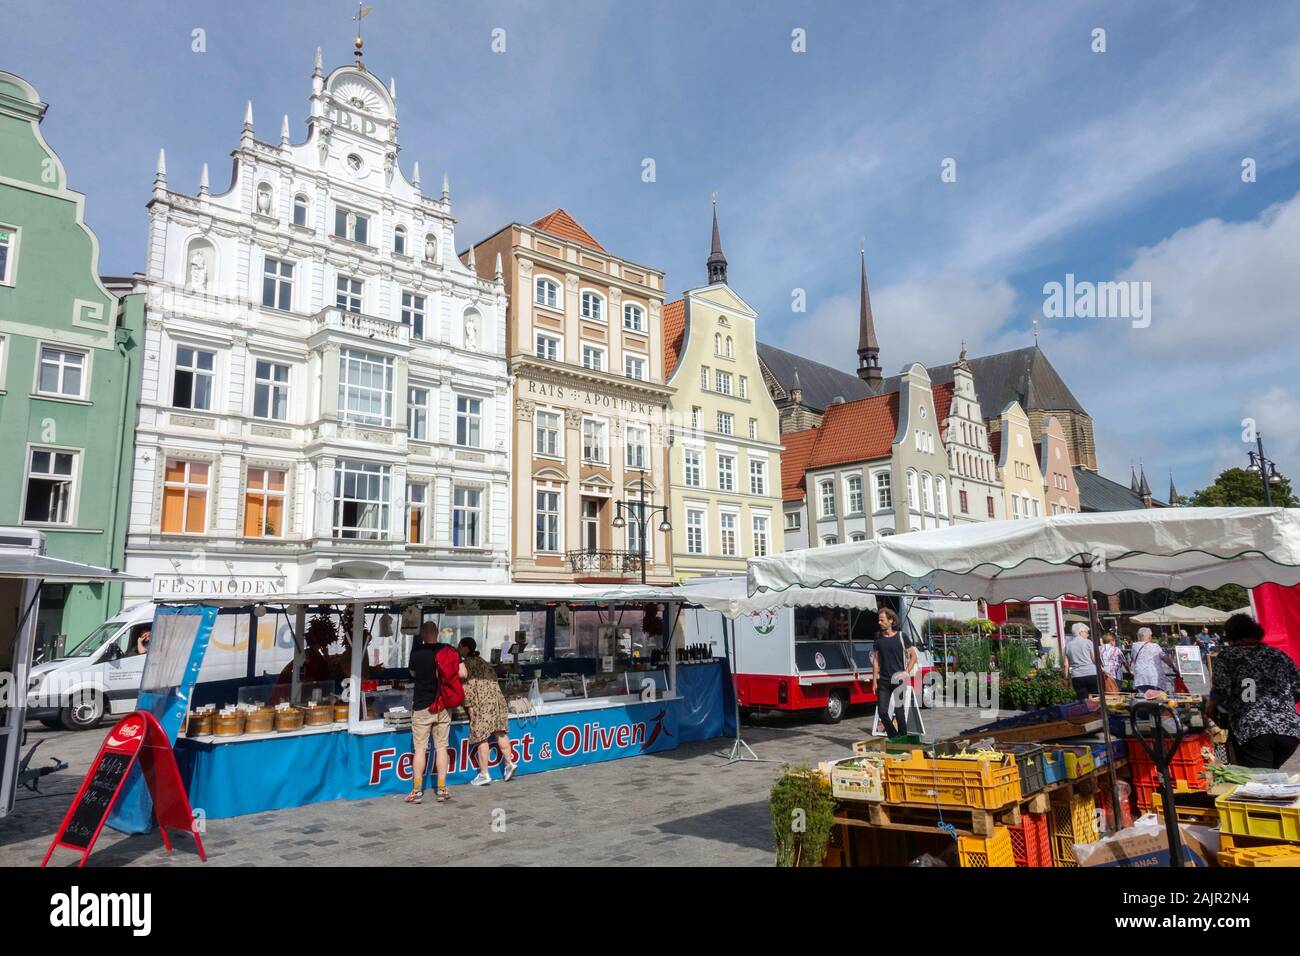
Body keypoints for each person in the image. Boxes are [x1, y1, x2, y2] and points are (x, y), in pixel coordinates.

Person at [1209, 614, 1300, 769]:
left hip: (1252, 730)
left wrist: (1209, 709)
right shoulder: (1278, 655)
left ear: (1230, 635)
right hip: (1290, 730)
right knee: (1269, 777)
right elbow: (1298, 689)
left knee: (1259, 784)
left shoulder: (1227, 657)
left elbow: (1221, 690)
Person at [407, 622, 466, 805]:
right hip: (442, 706)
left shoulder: (416, 652)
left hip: (422, 706)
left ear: (424, 634)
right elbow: (463, 673)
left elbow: (412, 673)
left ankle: (417, 791)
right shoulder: (449, 651)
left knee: (420, 749)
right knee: (441, 747)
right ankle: (442, 788)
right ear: (437, 634)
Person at [458, 638, 518, 786]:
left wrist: (469, 707)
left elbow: (467, 686)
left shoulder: (466, 664)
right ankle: (509, 763)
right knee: (500, 732)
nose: (458, 649)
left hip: (482, 703)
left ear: (465, 648)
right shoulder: (483, 661)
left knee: (481, 737)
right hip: (497, 701)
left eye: (460, 646)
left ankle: (484, 774)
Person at [871, 608, 917, 736]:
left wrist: (906, 672)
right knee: (882, 712)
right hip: (884, 681)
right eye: (879, 620)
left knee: (899, 711)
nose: (879, 622)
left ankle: (903, 737)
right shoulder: (878, 637)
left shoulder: (902, 636)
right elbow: (875, 661)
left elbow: (914, 656)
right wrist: (874, 681)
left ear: (891, 620)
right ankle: (894, 736)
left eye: (882, 620)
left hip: (899, 680)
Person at [1062, 623, 1099, 699]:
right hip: (1091, 674)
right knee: (1095, 699)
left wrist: (1066, 678)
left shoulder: (1068, 645)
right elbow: (1094, 659)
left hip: (1077, 676)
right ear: (1080, 632)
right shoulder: (1088, 642)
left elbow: (1066, 664)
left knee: (1083, 700)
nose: (1087, 635)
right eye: (1086, 632)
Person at [1130, 627, 1171, 694]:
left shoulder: (1134, 646)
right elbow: (1165, 658)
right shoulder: (1155, 646)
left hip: (1140, 677)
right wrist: (1174, 668)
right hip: (1154, 677)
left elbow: (1133, 659)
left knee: (1143, 700)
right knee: (1157, 700)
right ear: (1149, 637)